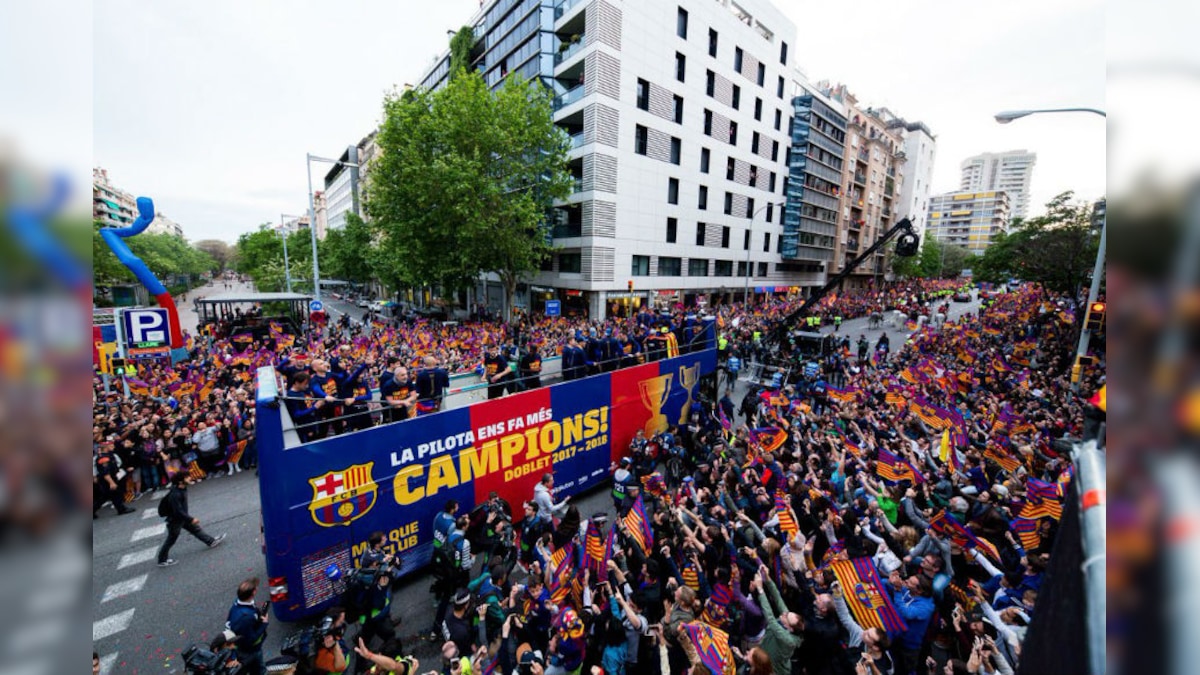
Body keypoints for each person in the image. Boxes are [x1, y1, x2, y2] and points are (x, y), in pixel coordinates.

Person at [156, 472, 226, 566]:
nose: (190, 478)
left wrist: (188, 518)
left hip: (182, 518)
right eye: (187, 477)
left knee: (195, 529)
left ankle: (211, 541)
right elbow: (178, 511)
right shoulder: (175, 494)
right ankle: (162, 560)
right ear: (180, 481)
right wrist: (190, 519)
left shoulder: (182, 488)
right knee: (171, 539)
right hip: (175, 520)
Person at [227, 578, 269, 675]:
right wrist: (264, 623)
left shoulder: (237, 604)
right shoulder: (246, 617)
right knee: (259, 670)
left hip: (241, 646)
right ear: (253, 592)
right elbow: (252, 638)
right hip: (251, 650)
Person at [94, 442, 134, 517]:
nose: (113, 447)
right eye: (111, 446)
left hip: (112, 478)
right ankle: (121, 509)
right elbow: (105, 473)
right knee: (113, 495)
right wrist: (111, 483)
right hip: (107, 480)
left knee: (108, 496)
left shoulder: (109, 455)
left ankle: (121, 509)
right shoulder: (103, 458)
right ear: (105, 447)